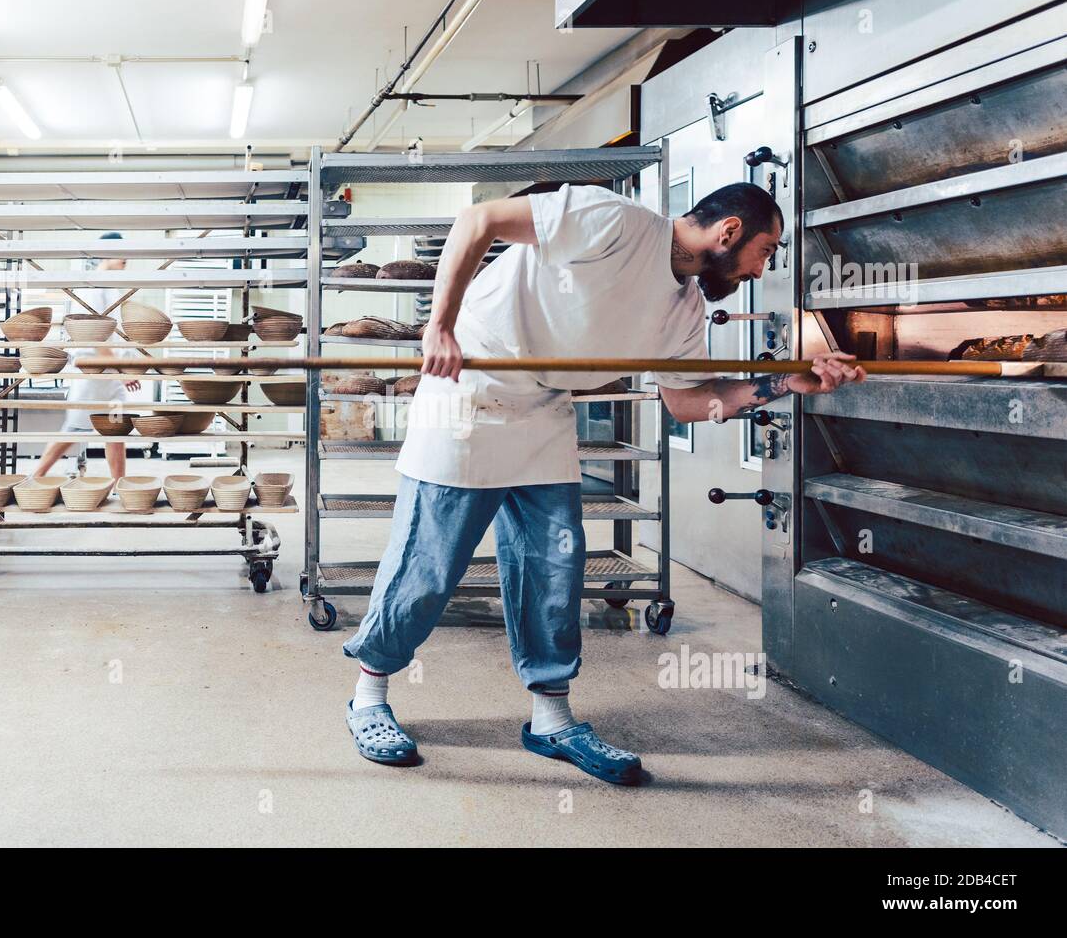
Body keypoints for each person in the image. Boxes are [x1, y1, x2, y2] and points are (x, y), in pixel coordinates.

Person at [342, 182, 866, 783]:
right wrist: (440, 325)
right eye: (765, 250)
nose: (761, 267)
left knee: (554, 567)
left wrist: (783, 385)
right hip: (468, 393)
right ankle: (370, 696)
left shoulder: (684, 309)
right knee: (428, 565)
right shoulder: (612, 220)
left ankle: (550, 718)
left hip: (542, 412)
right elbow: (478, 219)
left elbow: (688, 404)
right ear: (728, 233)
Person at [33, 232, 141, 479]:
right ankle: (35, 478)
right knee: (73, 429)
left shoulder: (111, 287)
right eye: (120, 251)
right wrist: (121, 372)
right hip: (93, 373)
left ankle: (119, 485)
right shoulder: (94, 285)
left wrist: (123, 369)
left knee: (115, 430)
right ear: (105, 253)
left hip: (111, 374)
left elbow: (114, 336)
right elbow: (94, 335)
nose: (126, 258)